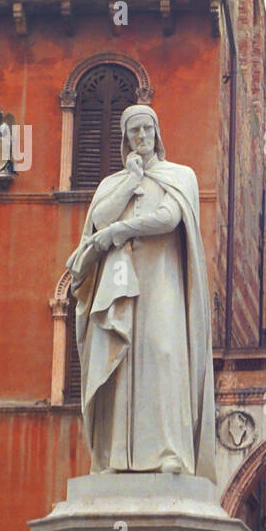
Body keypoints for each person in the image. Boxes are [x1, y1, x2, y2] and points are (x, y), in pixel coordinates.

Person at [66, 104, 216, 479]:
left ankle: (170, 452)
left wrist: (120, 231)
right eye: (134, 131)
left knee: (164, 355)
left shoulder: (180, 176)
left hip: (162, 283)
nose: (142, 136)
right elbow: (99, 219)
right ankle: (115, 457)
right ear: (125, 139)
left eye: (147, 129)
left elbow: (169, 218)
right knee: (119, 360)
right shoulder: (112, 184)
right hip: (119, 284)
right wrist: (130, 181)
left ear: (157, 132)